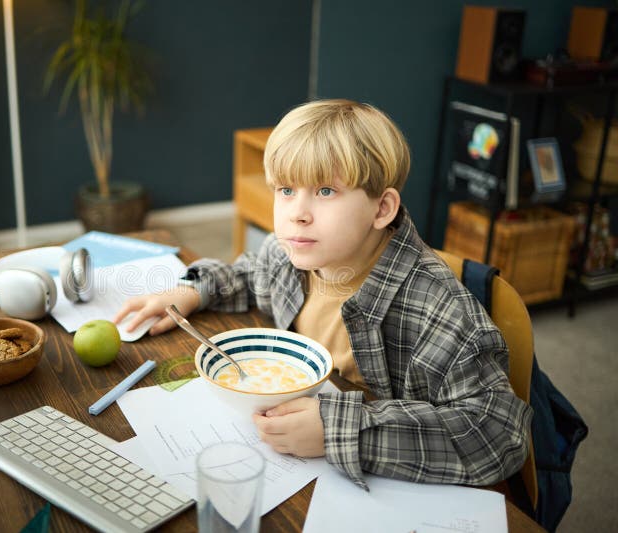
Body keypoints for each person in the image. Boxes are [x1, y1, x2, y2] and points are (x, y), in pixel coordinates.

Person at [114, 99, 531, 490]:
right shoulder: (293, 253)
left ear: (382, 209)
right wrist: (194, 289)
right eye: (286, 189)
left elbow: (498, 433)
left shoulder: (436, 307)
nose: (297, 212)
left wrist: (340, 430)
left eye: (325, 191)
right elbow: (250, 273)